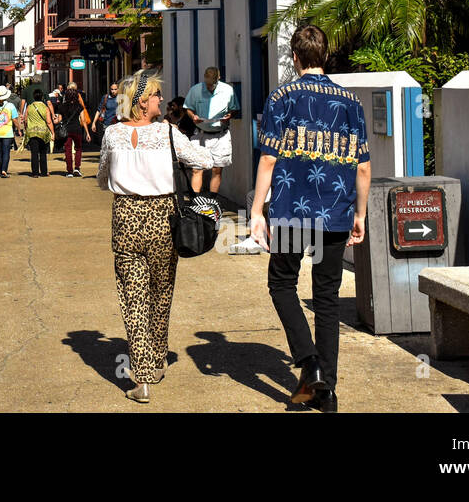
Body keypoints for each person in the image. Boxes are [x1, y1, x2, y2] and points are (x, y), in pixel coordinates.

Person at [249, 25, 371, 413]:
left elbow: (268, 157)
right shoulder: (351, 103)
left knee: (281, 283)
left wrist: (256, 210)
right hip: (336, 213)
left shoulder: (281, 98)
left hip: (290, 212)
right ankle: (327, 391)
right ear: (327, 56)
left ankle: (310, 362)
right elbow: (364, 168)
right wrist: (360, 214)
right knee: (327, 298)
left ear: (296, 58)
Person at [96, 68, 213, 403]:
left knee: (133, 297)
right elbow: (203, 159)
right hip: (163, 216)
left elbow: (103, 176)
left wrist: (125, 181)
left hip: (125, 216)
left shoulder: (113, 134)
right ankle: (157, 357)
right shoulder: (168, 134)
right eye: (157, 95)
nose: (162, 99)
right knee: (161, 292)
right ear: (143, 101)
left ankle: (142, 377)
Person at [184, 66, 239, 195]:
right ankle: (196, 201)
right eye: (208, 85)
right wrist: (193, 117)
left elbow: (234, 109)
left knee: (217, 170)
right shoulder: (195, 90)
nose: (210, 87)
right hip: (200, 134)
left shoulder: (228, 90)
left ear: (219, 78)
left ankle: (212, 200)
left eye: (212, 85)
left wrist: (229, 116)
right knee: (197, 169)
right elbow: (188, 108)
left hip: (220, 135)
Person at [0, 85, 21, 178]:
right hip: (7, 132)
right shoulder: (11, 106)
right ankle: (4, 170)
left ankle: (0, 169)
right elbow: (14, 120)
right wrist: (18, 129)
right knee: (6, 151)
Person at [58, 82, 91, 177]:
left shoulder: (62, 106)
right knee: (78, 148)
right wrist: (87, 133)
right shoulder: (79, 106)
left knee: (68, 150)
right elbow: (83, 120)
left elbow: (59, 120)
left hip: (66, 130)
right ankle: (77, 168)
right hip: (77, 129)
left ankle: (69, 171)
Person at [22, 89, 54, 177]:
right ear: (42, 97)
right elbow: (48, 121)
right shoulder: (45, 107)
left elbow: (25, 119)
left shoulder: (29, 107)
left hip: (32, 132)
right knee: (43, 153)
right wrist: (53, 132)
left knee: (34, 153)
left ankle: (35, 173)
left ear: (34, 97)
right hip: (43, 132)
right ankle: (44, 172)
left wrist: (26, 128)